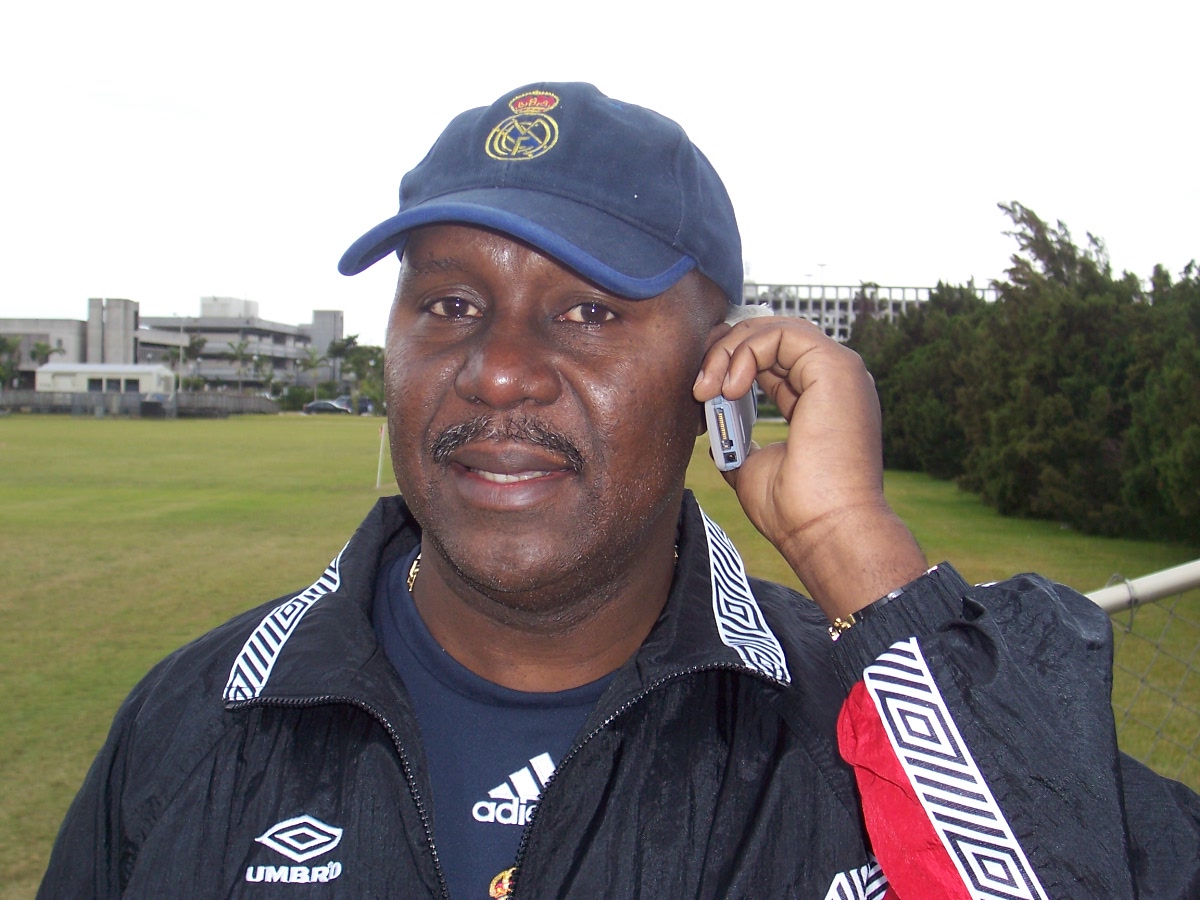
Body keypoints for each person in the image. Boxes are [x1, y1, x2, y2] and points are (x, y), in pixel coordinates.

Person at [39, 82, 1199, 900]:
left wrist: (856, 549)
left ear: (722, 372)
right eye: (446, 304)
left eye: (591, 310)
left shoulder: (863, 731)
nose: (494, 366)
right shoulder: (193, 721)